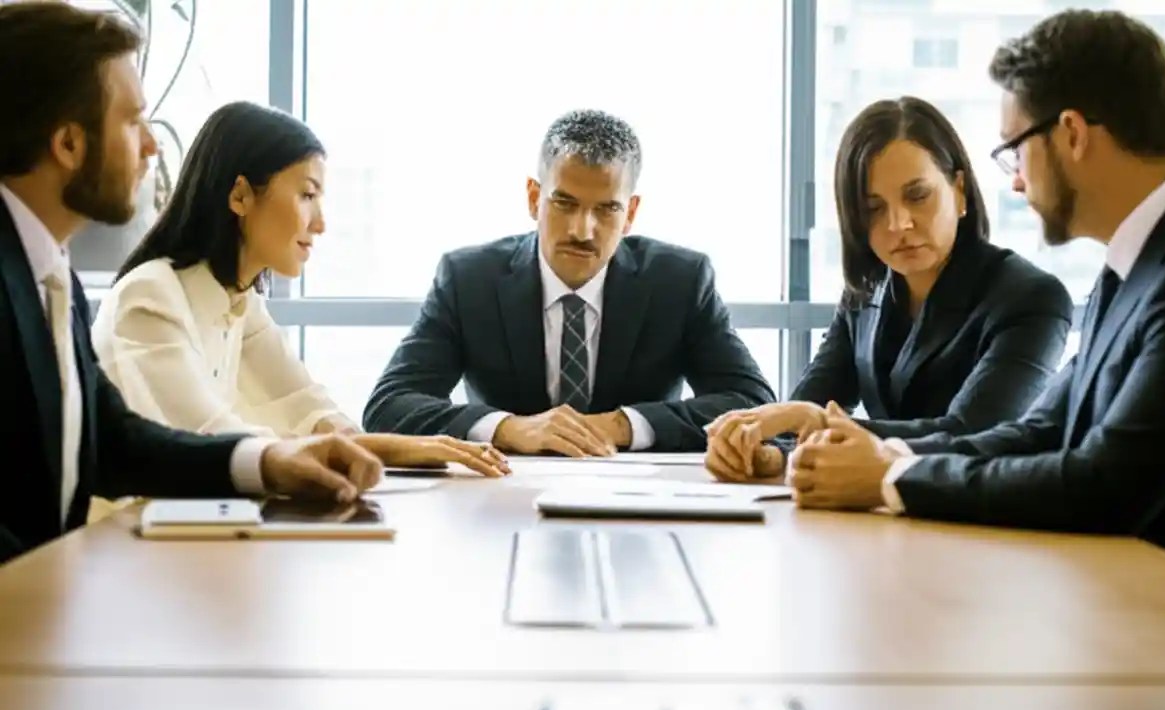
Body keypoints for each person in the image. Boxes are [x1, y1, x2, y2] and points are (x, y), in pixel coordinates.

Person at [784, 9, 1165, 588]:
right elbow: (1039, 432)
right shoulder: (1136, 269)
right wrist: (884, 457)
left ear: (1072, 134)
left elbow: (1105, 486)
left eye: (1016, 151)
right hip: (1116, 600)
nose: (1016, 181)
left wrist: (889, 479)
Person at [0, 2, 385, 564]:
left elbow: (112, 442)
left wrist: (265, 462)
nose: (152, 146)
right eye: (132, 122)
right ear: (69, 144)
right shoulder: (120, 288)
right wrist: (39, 593)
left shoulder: (55, 279)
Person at [92, 101, 509, 478]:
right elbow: (213, 439)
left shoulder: (240, 303)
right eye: (307, 195)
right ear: (240, 195)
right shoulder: (150, 296)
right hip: (128, 533)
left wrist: (403, 448)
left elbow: (307, 404)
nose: (320, 223)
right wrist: (392, 447)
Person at [363, 109, 775, 455]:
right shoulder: (469, 279)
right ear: (533, 198)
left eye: (607, 209)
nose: (582, 230)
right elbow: (389, 406)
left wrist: (621, 426)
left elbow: (754, 405)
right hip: (504, 499)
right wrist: (508, 429)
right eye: (564, 203)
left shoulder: (679, 282)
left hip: (637, 501)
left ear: (630, 214)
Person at [704, 97, 1071, 482]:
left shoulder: (1031, 297)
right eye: (873, 209)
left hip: (974, 510)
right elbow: (804, 410)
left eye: (918, 196)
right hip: (874, 506)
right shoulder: (865, 292)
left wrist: (818, 424)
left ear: (959, 191)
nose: (898, 224)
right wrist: (762, 453)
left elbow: (973, 434)